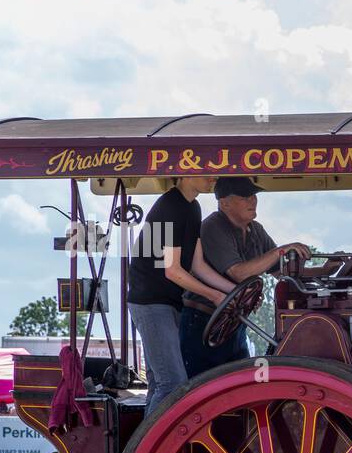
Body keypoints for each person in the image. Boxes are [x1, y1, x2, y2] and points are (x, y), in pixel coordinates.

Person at [178, 177, 310, 378]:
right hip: (203, 322)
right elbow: (238, 273)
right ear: (224, 203)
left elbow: (281, 273)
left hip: (234, 321)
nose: (252, 201)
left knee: (237, 383)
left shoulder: (256, 230)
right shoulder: (213, 227)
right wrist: (280, 251)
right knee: (201, 383)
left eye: (254, 195)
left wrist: (325, 270)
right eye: (245, 196)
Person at [127, 177, 231, 414]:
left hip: (168, 303)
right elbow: (173, 270)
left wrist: (231, 292)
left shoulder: (192, 207)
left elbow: (197, 265)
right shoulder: (170, 206)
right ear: (185, 172)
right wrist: (214, 295)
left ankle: (144, 448)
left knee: (159, 384)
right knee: (172, 384)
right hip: (151, 302)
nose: (213, 178)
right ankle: (149, 449)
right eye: (206, 171)